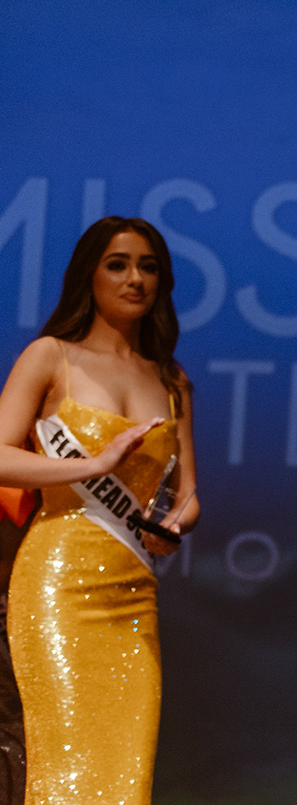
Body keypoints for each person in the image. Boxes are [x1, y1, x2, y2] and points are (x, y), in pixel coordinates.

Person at [0, 216, 201, 805]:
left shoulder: (170, 379)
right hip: (57, 584)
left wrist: (173, 525)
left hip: (134, 594)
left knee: (124, 777)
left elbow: (189, 495)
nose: (135, 278)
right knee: (63, 767)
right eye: (118, 264)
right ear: (88, 275)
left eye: (148, 267)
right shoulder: (51, 356)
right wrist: (90, 466)